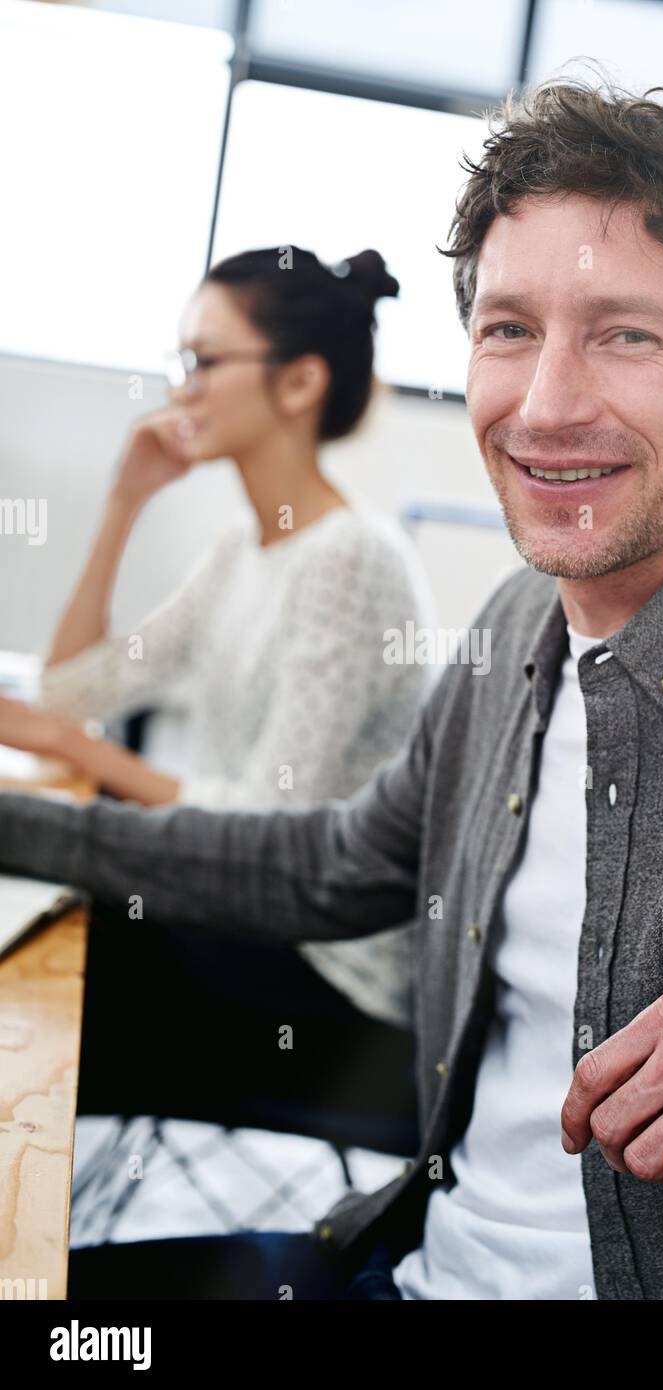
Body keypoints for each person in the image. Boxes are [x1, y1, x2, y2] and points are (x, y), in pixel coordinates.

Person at [3, 75, 663, 1301]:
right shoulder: (522, 623)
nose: (546, 404)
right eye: (509, 330)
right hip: (413, 1265)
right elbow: (328, 863)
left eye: (626, 333)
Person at [0, 246, 439, 1232]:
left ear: (299, 381)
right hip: (249, 914)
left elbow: (280, 836)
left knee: (54, 965)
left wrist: (97, 763)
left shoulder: (351, 558)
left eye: (204, 361)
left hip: (330, 971)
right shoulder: (245, 549)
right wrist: (125, 499)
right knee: (50, 944)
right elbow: (72, 694)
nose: (183, 387)